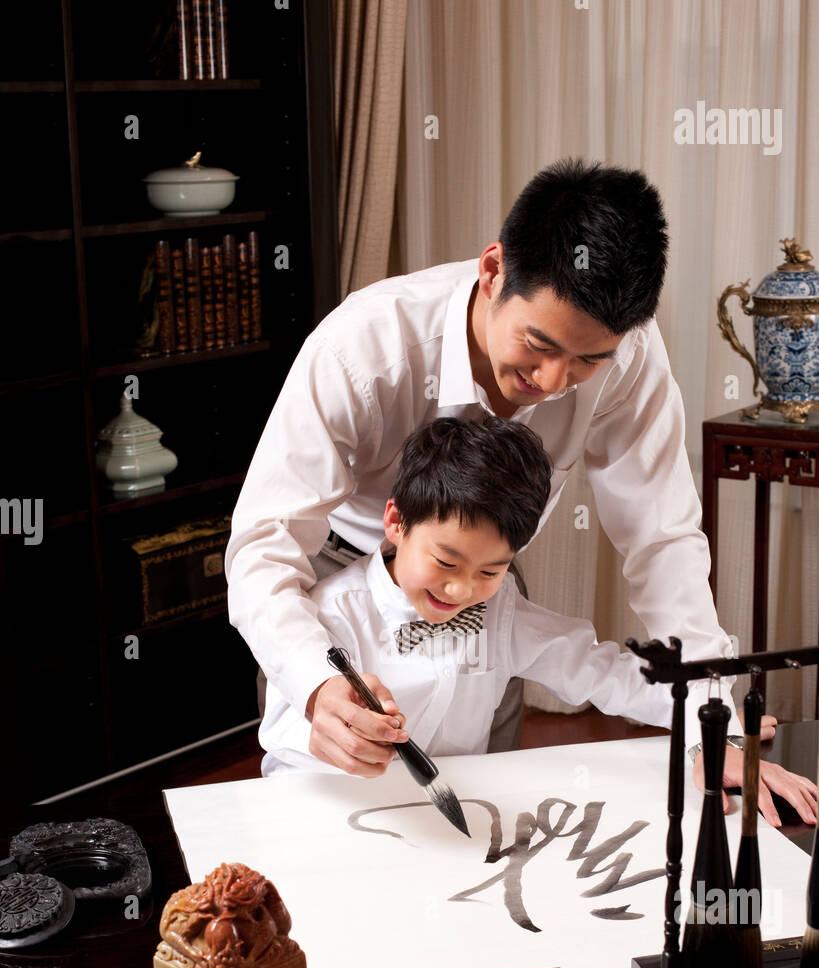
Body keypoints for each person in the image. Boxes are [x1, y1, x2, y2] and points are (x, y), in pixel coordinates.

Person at [227, 158, 768, 778]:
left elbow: (662, 537)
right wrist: (315, 681)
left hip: (485, 582)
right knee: (325, 790)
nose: (556, 382)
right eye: (540, 346)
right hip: (336, 565)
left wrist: (708, 713)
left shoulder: (630, 357)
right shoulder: (364, 347)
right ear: (493, 271)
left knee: (484, 792)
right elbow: (263, 547)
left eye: (588, 360)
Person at [259, 416, 817, 828]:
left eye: (491, 570)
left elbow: (607, 673)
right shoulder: (325, 615)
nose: (460, 590)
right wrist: (336, 737)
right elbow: (282, 751)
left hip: (452, 825)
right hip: (327, 819)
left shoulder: (499, 615)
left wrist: (707, 724)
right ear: (396, 522)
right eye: (447, 562)